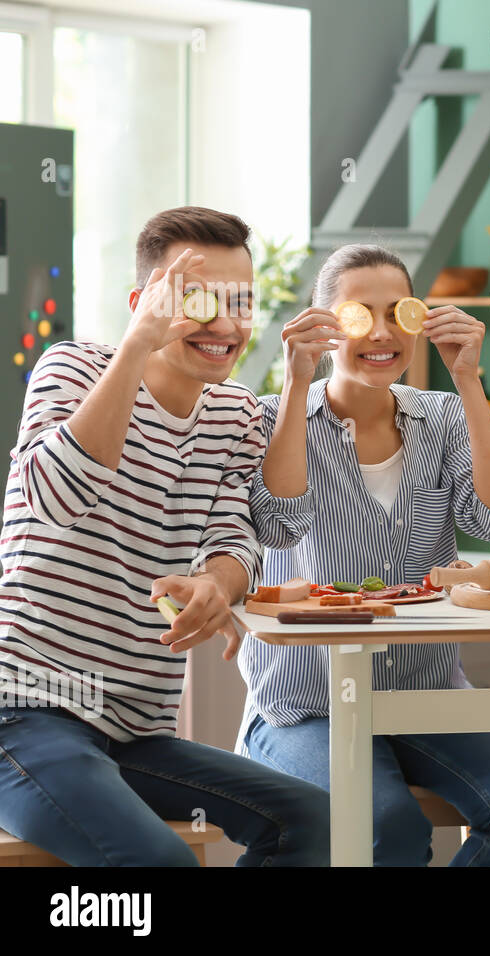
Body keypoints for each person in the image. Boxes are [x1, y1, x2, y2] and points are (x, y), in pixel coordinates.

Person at [0, 206, 330, 865]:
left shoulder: (235, 413)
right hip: (24, 715)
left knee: (314, 822)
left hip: (134, 730)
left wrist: (216, 584)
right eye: (198, 300)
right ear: (143, 303)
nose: (226, 325)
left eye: (241, 302)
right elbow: (57, 499)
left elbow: (237, 541)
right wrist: (137, 345)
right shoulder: (73, 369)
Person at [237, 243, 490, 866]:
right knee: (389, 828)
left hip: (426, 692)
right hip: (306, 706)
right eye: (360, 314)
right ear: (322, 323)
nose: (381, 333)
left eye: (397, 312)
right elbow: (277, 524)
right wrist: (298, 382)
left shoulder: (442, 415)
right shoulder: (272, 419)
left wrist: (468, 379)